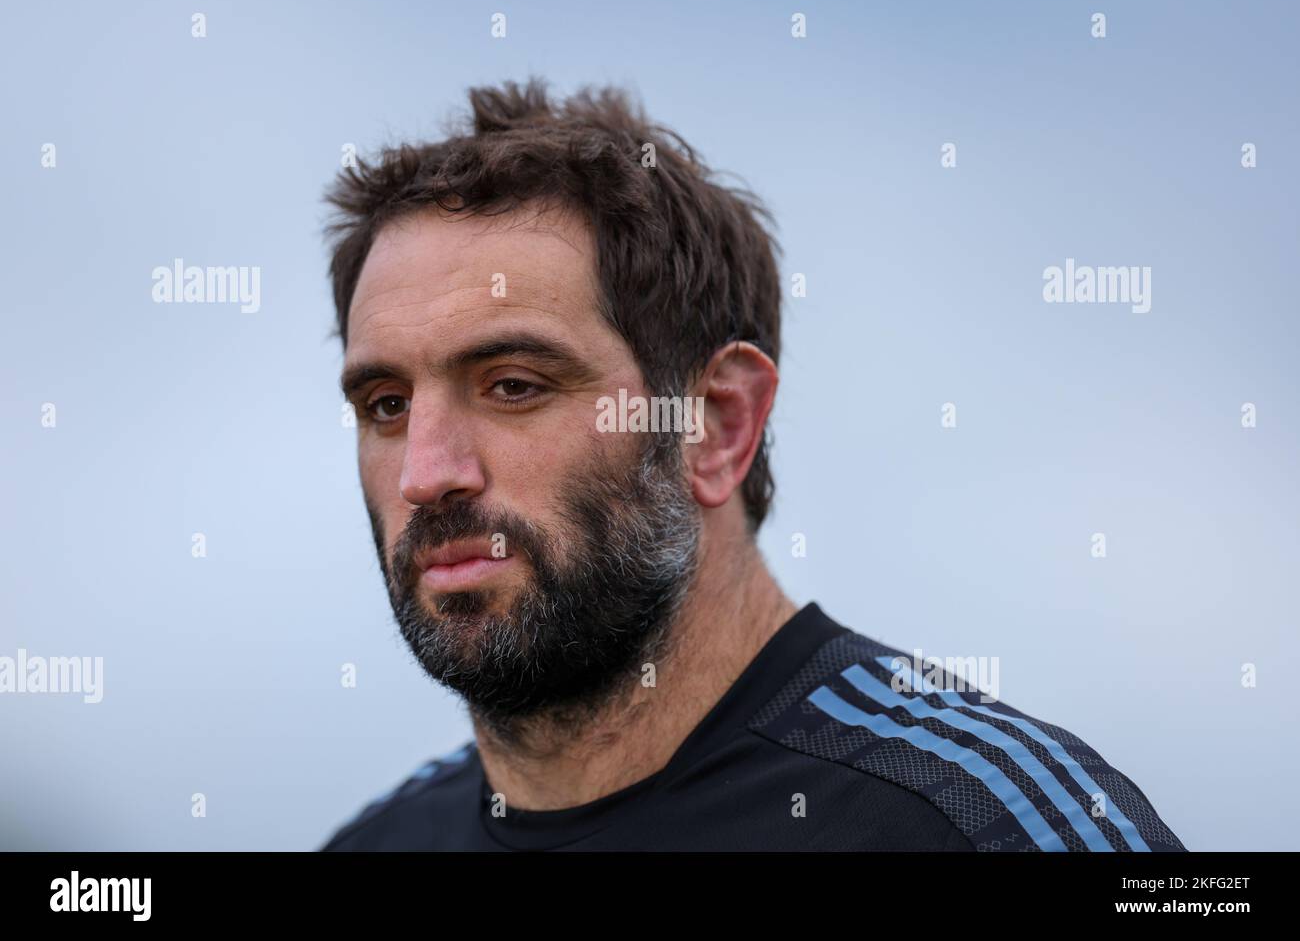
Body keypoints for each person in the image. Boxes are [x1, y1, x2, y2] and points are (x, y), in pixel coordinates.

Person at [319, 78, 1185, 852]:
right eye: (386, 406)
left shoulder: (987, 821)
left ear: (717, 424)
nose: (425, 475)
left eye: (513, 385)